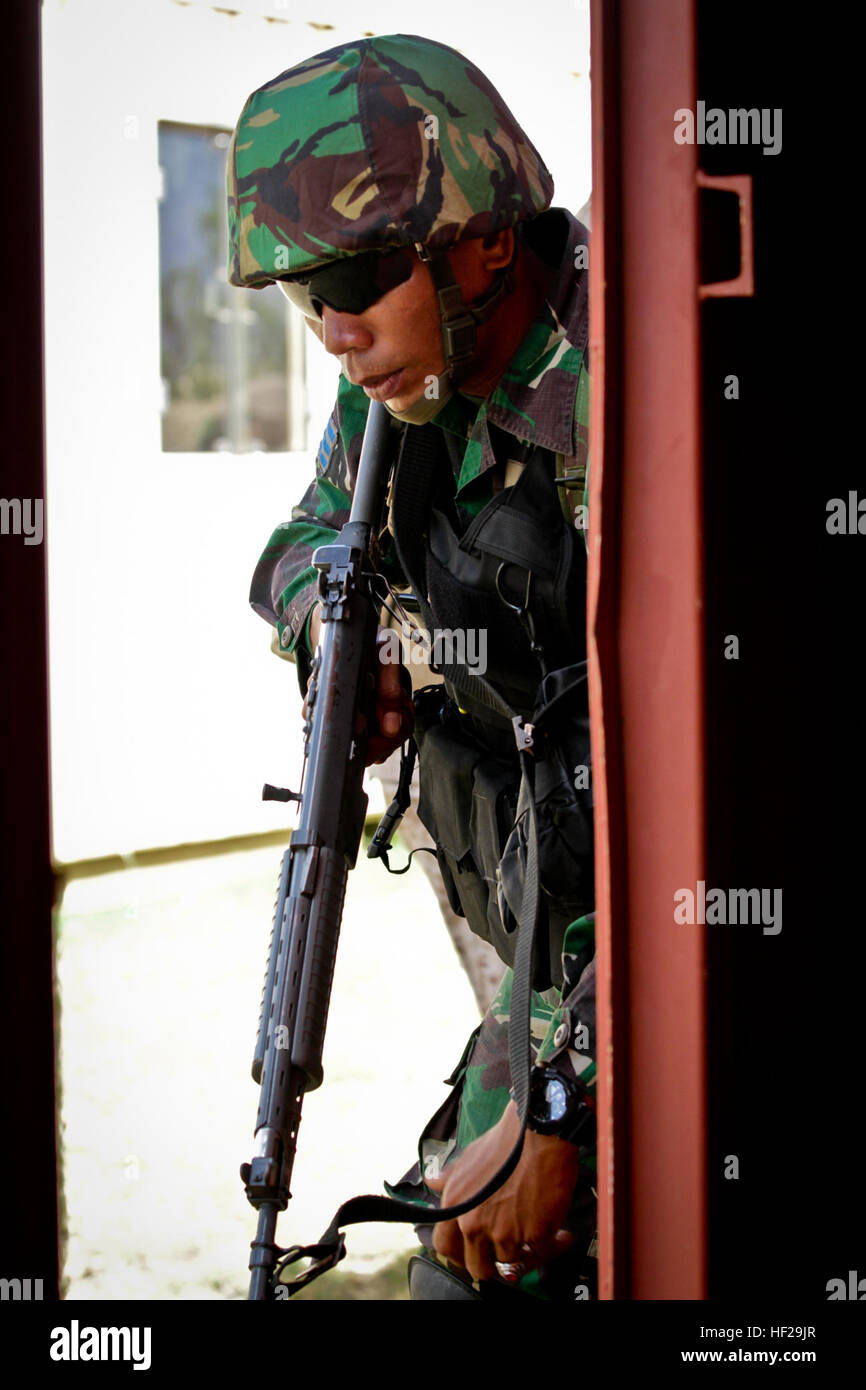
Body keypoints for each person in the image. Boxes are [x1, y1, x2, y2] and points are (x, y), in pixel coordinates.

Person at [228, 32, 597, 1301]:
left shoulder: (634, 387)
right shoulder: (401, 389)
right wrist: (348, 627)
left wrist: (563, 1097)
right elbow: (292, 550)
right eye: (302, 292)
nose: (333, 329)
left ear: (485, 239)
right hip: (546, 927)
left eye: (358, 274)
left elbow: (731, 808)